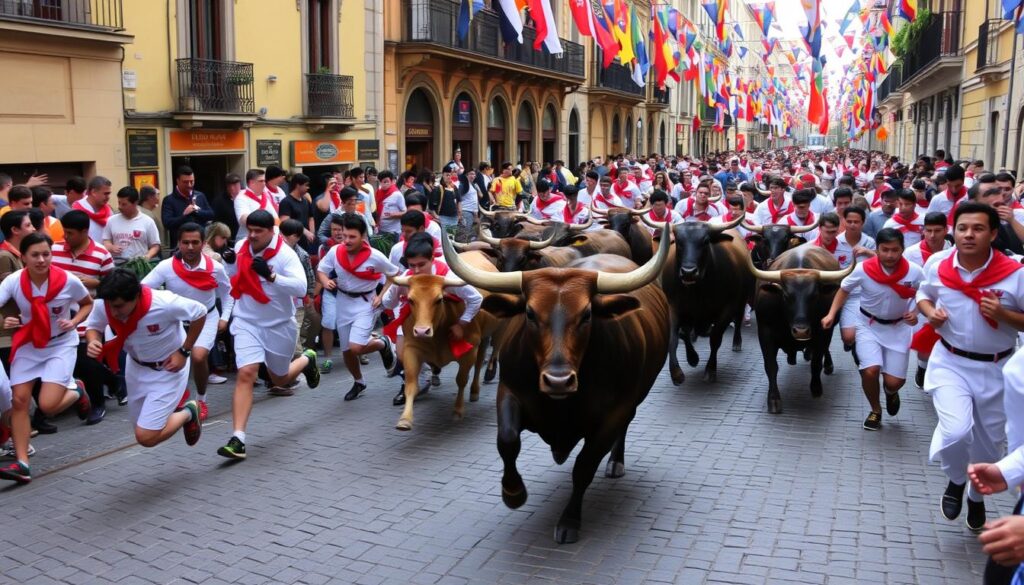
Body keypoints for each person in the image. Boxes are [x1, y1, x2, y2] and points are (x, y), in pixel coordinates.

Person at [916, 202, 1024, 532]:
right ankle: (955, 481)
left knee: (989, 446)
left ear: (992, 234)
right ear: (954, 231)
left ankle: (976, 499)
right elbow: (923, 295)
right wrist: (929, 312)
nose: (968, 235)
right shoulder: (938, 264)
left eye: (978, 229)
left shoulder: (1015, 274)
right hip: (950, 362)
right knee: (956, 430)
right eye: (962, 228)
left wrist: (1004, 315)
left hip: (997, 369)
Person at [218, 210, 321, 460]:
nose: (251, 235)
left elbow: (300, 287)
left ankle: (307, 359)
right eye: (249, 230)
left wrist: (271, 276)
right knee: (246, 373)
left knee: (280, 378)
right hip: (247, 321)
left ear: (271, 231)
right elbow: (232, 279)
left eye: (258, 231)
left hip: (278, 324)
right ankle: (238, 439)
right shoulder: (242, 246)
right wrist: (230, 262)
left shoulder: (285, 254)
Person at [0, 233, 93, 484]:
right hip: (29, 344)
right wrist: (3, 321)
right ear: (23, 257)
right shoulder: (14, 282)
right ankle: (22, 464)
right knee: (19, 400)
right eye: (35, 255)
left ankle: (77, 390)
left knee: (48, 406)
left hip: (60, 344)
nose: (42, 260)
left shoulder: (67, 281)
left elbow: (87, 303)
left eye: (46, 254)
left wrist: (73, 321)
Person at [83, 270, 205, 453]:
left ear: (137, 296)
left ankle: (189, 412)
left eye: (119, 306)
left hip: (168, 369)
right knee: (140, 427)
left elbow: (200, 313)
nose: (114, 312)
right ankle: (182, 413)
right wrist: (93, 340)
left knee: (146, 437)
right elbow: (94, 326)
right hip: (136, 367)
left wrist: (185, 350)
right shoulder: (105, 304)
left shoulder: (164, 303)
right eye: (111, 306)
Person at [822, 228, 922, 430]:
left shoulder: (915, 271)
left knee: (894, 383)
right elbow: (844, 289)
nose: (890, 255)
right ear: (877, 249)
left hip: (898, 328)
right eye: (885, 250)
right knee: (870, 370)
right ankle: (875, 410)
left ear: (902, 249)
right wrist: (831, 314)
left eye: (895, 250)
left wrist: (917, 312)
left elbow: (926, 293)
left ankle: (891, 393)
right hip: (868, 326)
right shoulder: (863, 269)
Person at [378, 232, 482, 406]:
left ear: (432, 259)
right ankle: (421, 377)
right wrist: (399, 290)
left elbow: (476, 299)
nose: (417, 270)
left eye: (421, 264)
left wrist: (462, 323)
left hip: (444, 323)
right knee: (402, 355)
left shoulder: (448, 276)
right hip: (413, 320)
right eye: (412, 265)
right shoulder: (406, 278)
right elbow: (388, 303)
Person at [141, 222, 232, 419]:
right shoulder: (166, 267)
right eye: (185, 243)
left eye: (195, 242)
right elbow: (143, 289)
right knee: (172, 362)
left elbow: (228, 293)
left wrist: (224, 318)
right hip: (175, 321)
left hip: (207, 317)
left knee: (199, 357)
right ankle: (176, 398)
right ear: (179, 243)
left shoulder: (215, 268)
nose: (190, 247)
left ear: (203, 243)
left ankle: (201, 400)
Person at [316, 213, 398, 401]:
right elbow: (321, 270)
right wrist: (326, 280)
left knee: (355, 347)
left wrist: (381, 295)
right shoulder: (335, 252)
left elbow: (394, 275)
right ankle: (359, 381)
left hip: (366, 303)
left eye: (352, 237)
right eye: (344, 236)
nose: (346, 240)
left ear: (363, 237)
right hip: (343, 302)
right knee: (346, 351)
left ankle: (383, 343)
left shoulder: (375, 257)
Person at [102, 187, 161, 266]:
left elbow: (155, 246)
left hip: (139, 266)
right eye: (119, 203)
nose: (120, 207)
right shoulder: (111, 220)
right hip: (117, 266)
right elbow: (106, 240)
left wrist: (147, 257)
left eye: (124, 204)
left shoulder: (148, 221)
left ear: (135, 203)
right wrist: (111, 247)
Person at [162, 166, 214, 246]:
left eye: (192, 181)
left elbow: (211, 215)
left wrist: (196, 211)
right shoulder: (169, 200)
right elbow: (167, 223)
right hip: (181, 245)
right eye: (185, 182)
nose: (189, 185)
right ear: (178, 181)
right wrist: (184, 215)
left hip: (201, 243)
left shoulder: (200, 195)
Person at [278, 173, 316, 251]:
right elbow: (285, 222)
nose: (308, 188)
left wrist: (311, 233)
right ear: (298, 185)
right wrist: (305, 232)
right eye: (306, 185)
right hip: (292, 243)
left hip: (306, 242)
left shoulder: (306, 201)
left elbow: (311, 218)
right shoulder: (286, 202)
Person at [74, 176, 114, 244]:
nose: (108, 197)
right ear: (94, 192)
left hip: (105, 253)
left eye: (109, 193)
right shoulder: (76, 210)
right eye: (105, 194)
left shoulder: (109, 210)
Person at [211, 174, 241, 239]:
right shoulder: (219, 201)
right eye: (230, 186)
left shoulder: (245, 197)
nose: (232, 189)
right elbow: (215, 223)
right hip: (227, 237)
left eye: (235, 186)